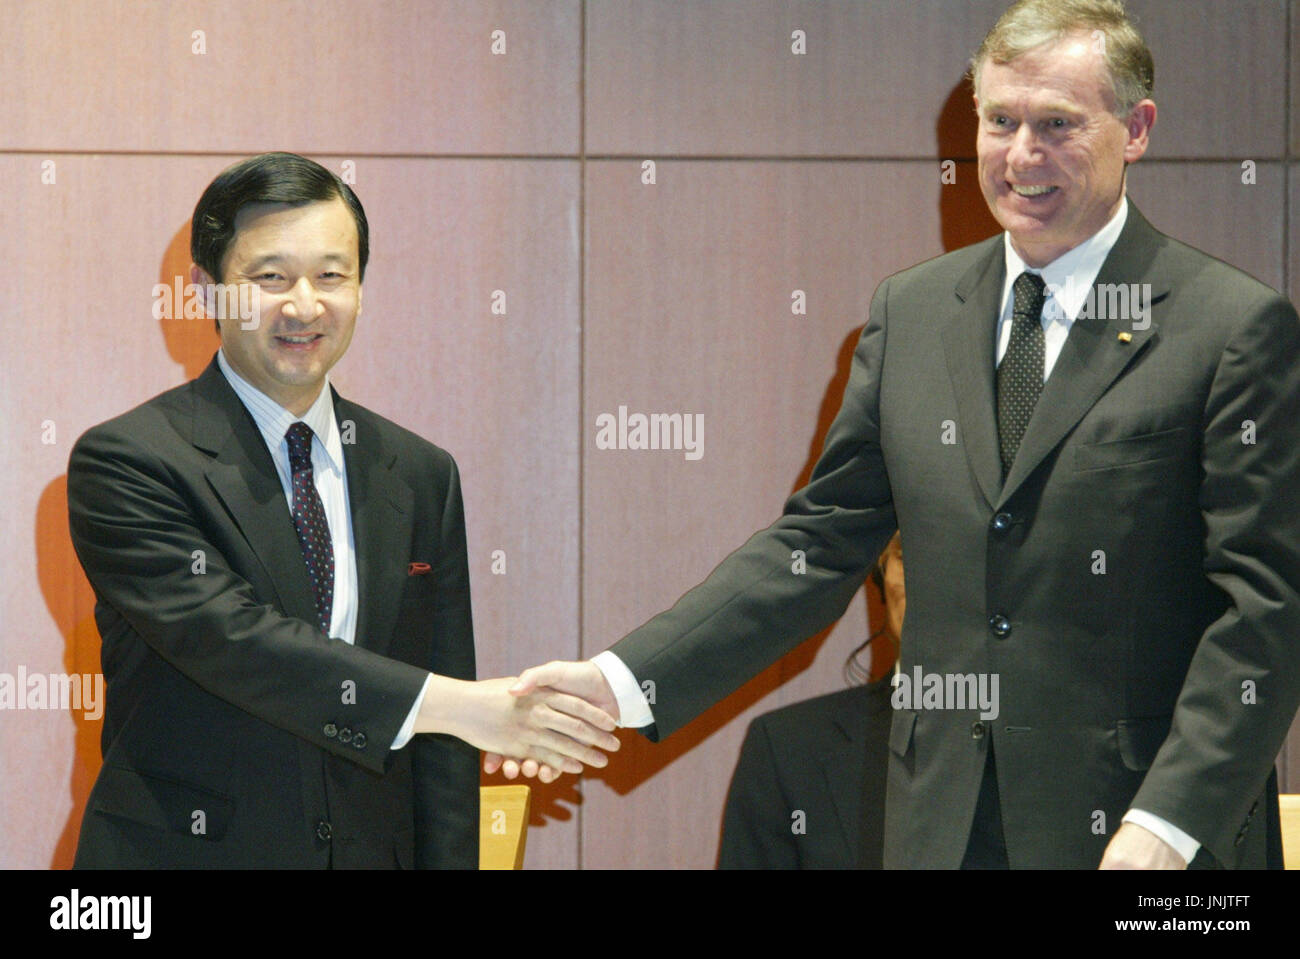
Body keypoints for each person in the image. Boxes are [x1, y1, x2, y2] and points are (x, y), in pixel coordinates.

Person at [492, 0, 1300, 869]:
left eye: (1057, 124)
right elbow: (814, 545)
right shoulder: (910, 313)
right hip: (941, 828)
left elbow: (1268, 606)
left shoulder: (1232, 327)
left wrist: (1169, 821)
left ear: (1136, 129)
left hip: (1149, 840)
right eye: (1000, 121)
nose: (1021, 155)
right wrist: (617, 683)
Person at [67, 152, 618, 868]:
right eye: (270, 277)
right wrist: (467, 705)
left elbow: (441, 756)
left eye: (332, 275)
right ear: (207, 292)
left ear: (360, 288)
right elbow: (238, 643)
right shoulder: (130, 460)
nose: (304, 304)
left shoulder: (419, 473)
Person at [719, 534, 903, 869]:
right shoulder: (788, 749)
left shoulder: (1030, 739)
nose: (935, 584)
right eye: (911, 556)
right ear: (880, 576)